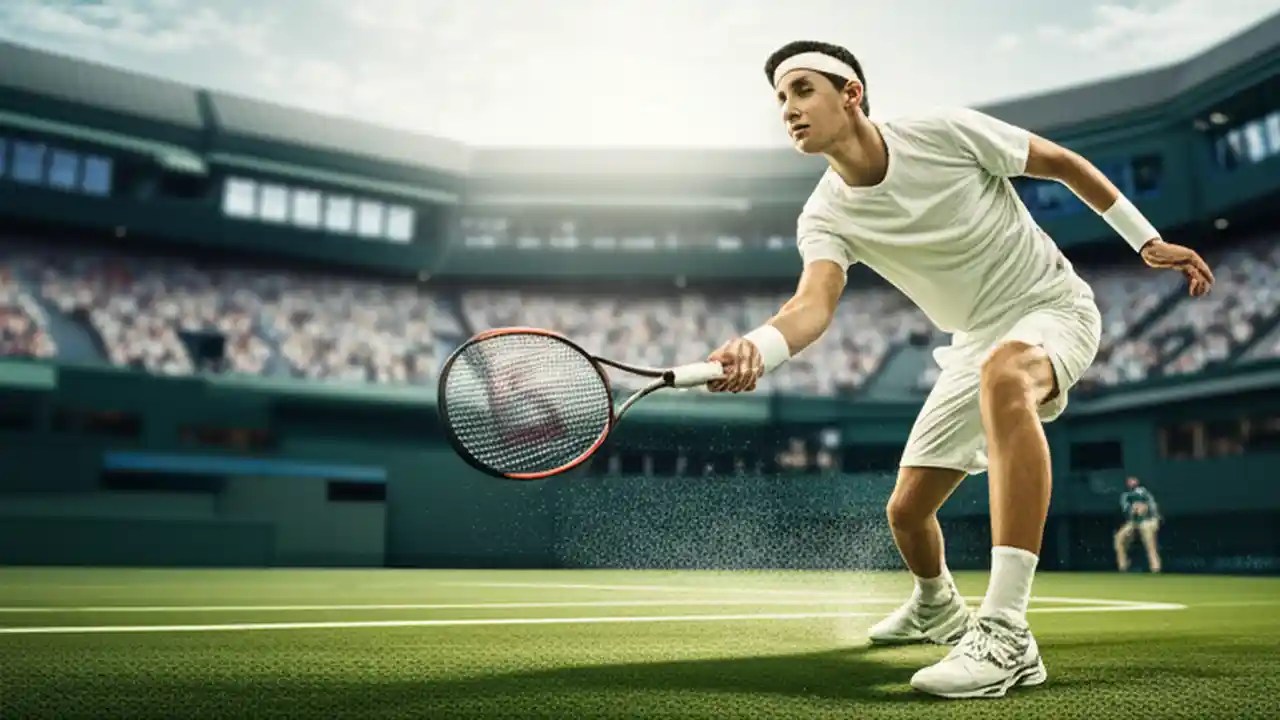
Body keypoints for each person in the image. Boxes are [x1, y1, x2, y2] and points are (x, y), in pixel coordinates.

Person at [705, 40, 1214, 699]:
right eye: (780, 99)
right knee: (908, 512)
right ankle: (935, 606)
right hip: (975, 339)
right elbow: (812, 305)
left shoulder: (943, 132)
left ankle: (1006, 634)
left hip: (1050, 307)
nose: (789, 110)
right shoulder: (824, 214)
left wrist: (1145, 239)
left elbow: (1060, 163)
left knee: (1006, 376)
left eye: (803, 90)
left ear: (851, 94)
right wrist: (758, 346)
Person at [1115, 476, 1163, 573]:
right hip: (1133, 522)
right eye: (1129, 481)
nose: (1131, 482)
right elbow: (1125, 509)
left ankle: (1155, 567)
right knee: (1119, 538)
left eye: (1133, 480)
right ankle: (1123, 566)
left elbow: (1153, 507)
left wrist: (1145, 508)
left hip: (1148, 521)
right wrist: (1132, 510)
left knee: (1149, 542)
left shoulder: (1145, 493)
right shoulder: (1125, 495)